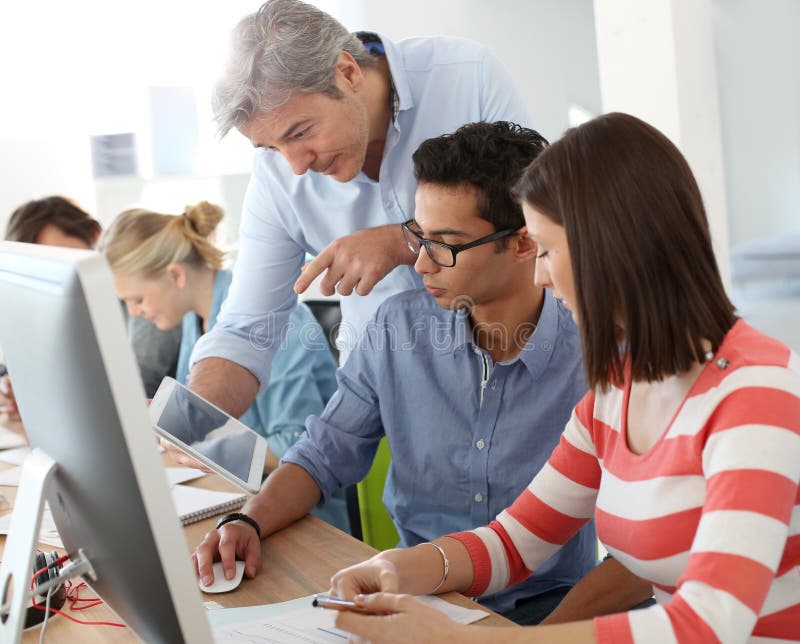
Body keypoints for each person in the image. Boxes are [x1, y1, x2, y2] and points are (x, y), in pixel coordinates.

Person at [326, 113, 800, 643]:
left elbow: (709, 623)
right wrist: (399, 569)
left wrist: (469, 640)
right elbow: (513, 542)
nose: (539, 275)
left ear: (611, 247)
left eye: (548, 250)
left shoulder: (759, 391)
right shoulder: (616, 388)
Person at [191, 121, 653, 625]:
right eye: (418, 238)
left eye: (446, 245)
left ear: (523, 244)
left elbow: (642, 548)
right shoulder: (397, 327)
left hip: (550, 608)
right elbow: (325, 452)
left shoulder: (600, 354)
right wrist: (248, 521)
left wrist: (531, 642)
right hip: (420, 589)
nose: (422, 264)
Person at [186, 0, 533, 425]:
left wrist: (402, 240)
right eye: (272, 147)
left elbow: (538, 215)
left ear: (347, 73)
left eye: (300, 132)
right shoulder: (278, 175)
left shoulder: (466, 73)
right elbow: (246, 331)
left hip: (521, 377)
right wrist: (182, 422)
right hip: (391, 411)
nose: (295, 165)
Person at [98, 201, 346, 530]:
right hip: (243, 497)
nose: (133, 313)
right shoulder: (194, 321)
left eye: (137, 299)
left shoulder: (272, 321)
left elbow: (297, 443)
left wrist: (208, 452)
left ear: (175, 274)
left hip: (308, 518)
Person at [0, 196, 181, 419]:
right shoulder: (58, 307)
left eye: (59, 257)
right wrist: (18, 389)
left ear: (95, 236)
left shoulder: (141, 296)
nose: (54, 273)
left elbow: (135, 385)